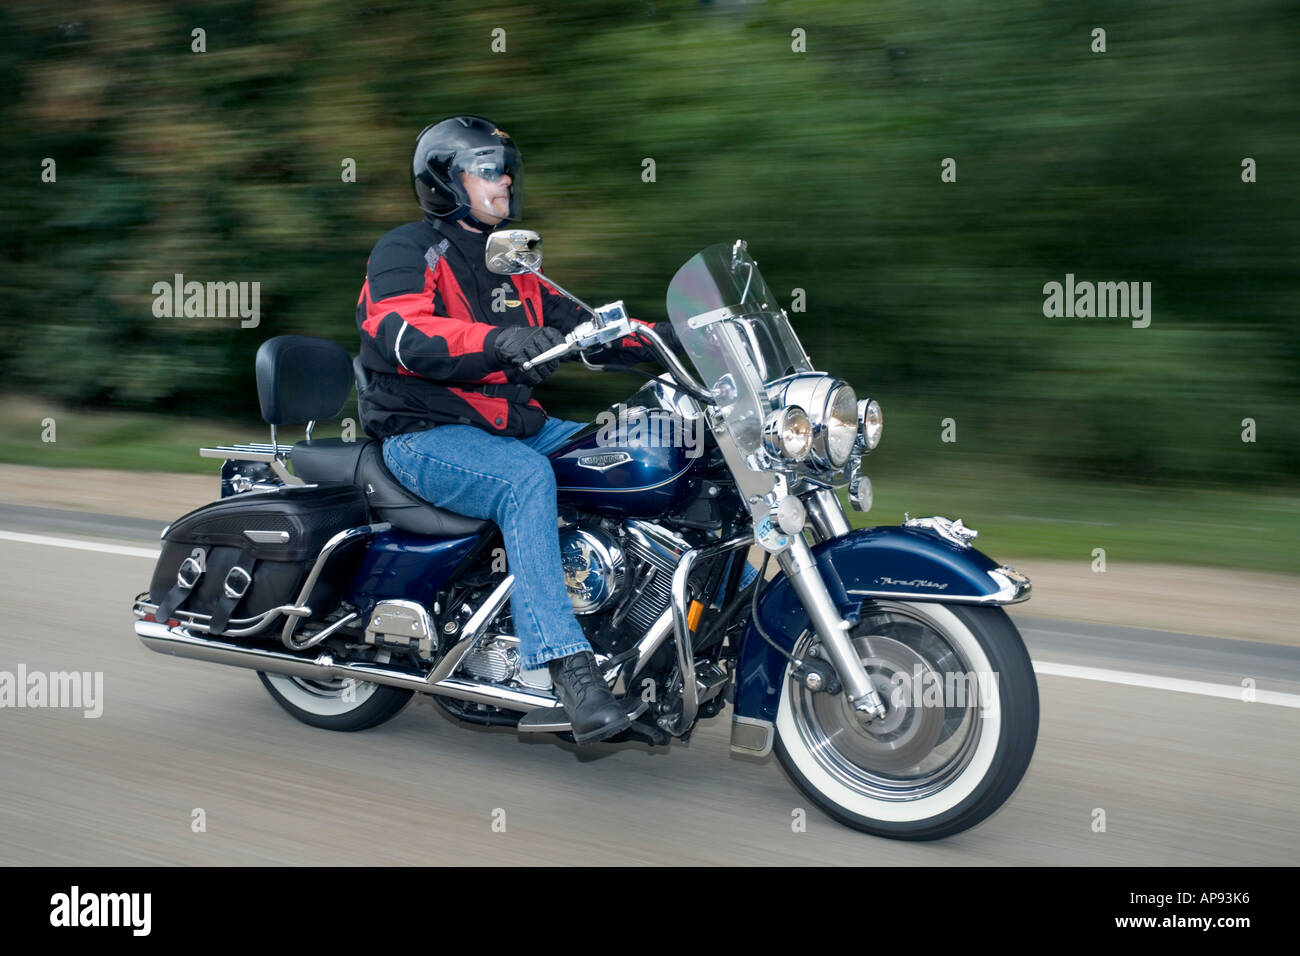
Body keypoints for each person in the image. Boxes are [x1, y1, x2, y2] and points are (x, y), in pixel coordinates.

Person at [354, 115, 674, 745]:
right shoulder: (405, 250)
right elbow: (403, 332)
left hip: (512, 426)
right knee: (526, 480)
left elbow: (586, 327)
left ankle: (678, 619)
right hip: (425, 434)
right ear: (447, 180)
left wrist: (663, 340)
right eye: (487, 168)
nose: (504, 179)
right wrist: (500, 341)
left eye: (507, 168)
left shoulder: (516, 265)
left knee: (642, 448)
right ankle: (565, 666)